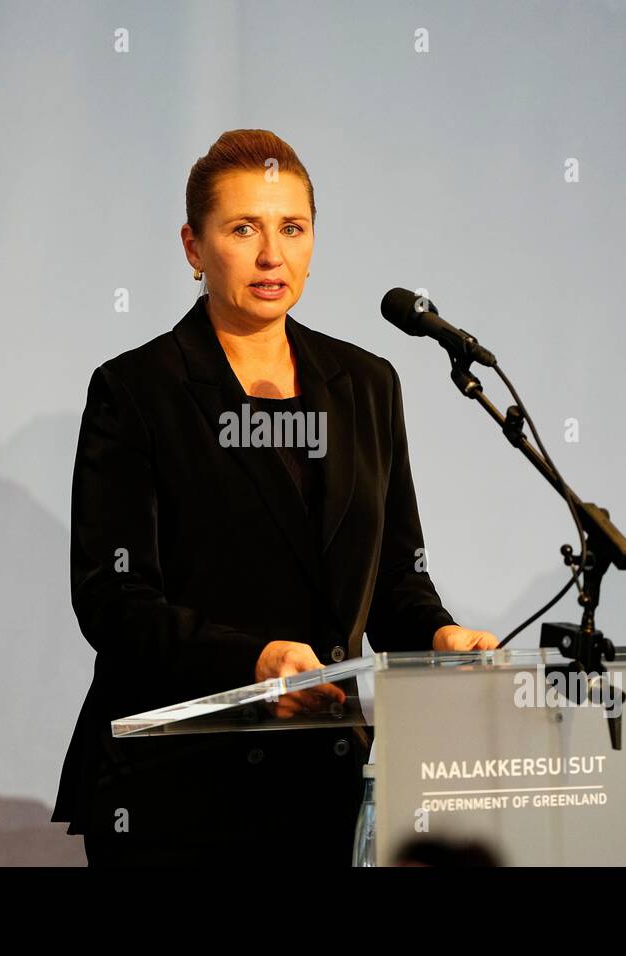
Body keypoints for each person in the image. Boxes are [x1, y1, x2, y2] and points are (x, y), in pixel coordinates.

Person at [50, 129, 498, 867]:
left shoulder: (366, 384)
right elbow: (113, 599)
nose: (272, 255)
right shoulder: (138, 391)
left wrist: (438, 638)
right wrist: (252, 662)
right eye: (243, 230)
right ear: (194, 249)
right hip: (179, 794)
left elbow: (394, 582)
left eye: (292, 228)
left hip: (332, 784)